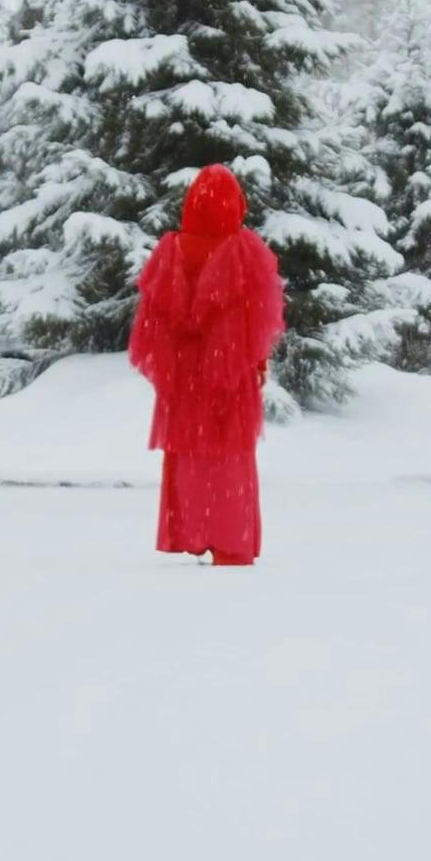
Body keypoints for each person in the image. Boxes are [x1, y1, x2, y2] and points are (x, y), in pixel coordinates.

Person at [127, 164, 285, 566]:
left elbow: (152, 320)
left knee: (189, 455)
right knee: (231, 457)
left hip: (183, 375)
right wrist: (254, 365)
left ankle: (194, 532)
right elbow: (258, 317)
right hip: (229, 374)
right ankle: (230, 543)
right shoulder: (244, 249)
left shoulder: (171, 250)